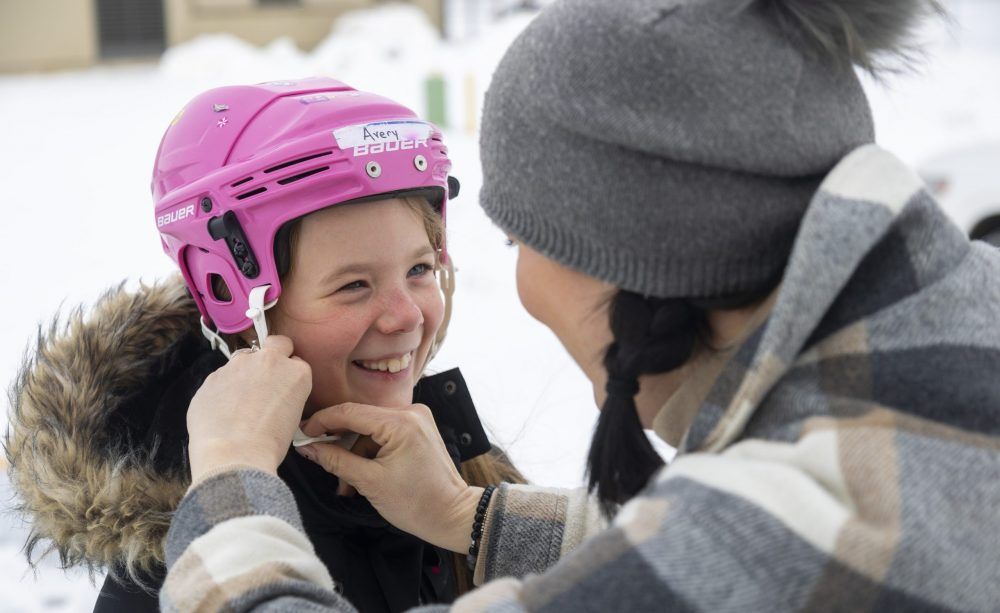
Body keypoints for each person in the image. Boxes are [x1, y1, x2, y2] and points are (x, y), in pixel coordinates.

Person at [95, 0, 1000, 610]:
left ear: (635, 256)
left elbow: (725, 548)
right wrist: (471, 519)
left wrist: (227, 489)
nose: (412, 310)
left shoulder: (793, 531)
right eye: (352, 283)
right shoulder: (951, 358)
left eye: (522, 236)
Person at [3, 78, 525, 612]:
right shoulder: (178, 571)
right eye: (354, 285)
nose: (409, 315)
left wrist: (469, 517)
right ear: (232, 300)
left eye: (419, 268)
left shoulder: (460, 474)